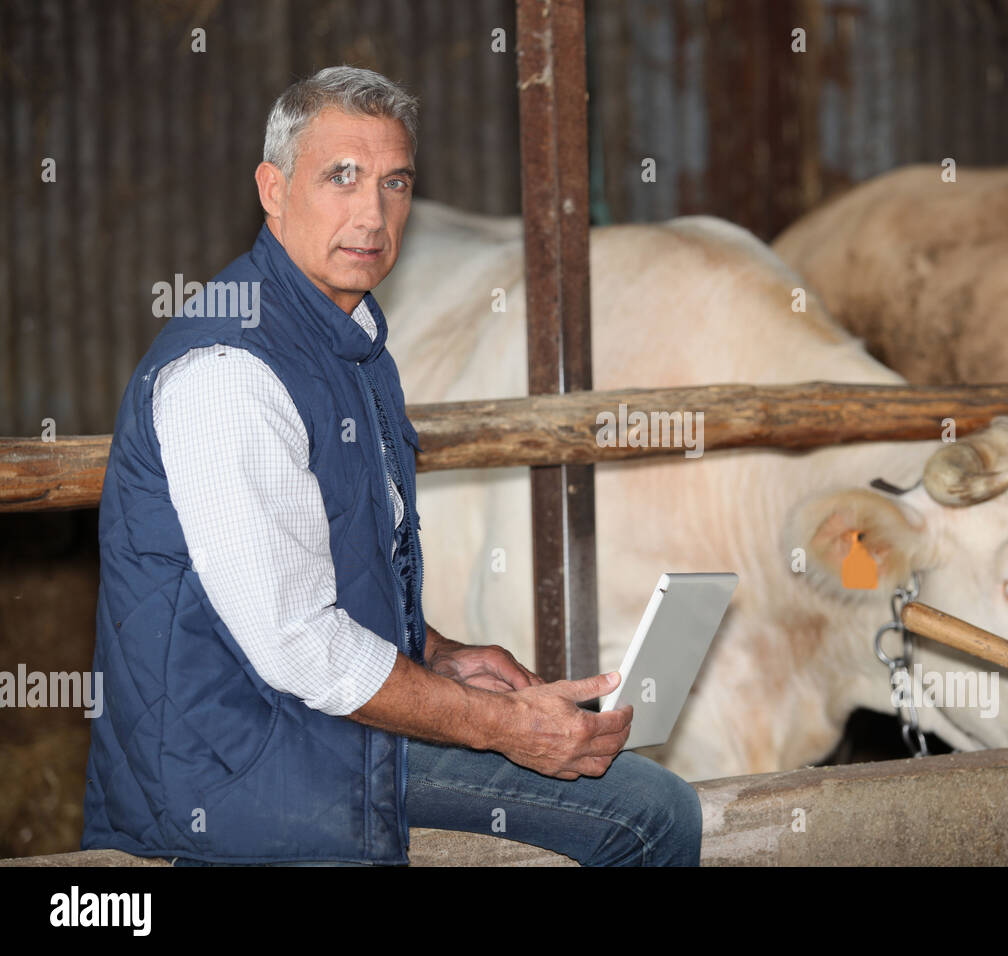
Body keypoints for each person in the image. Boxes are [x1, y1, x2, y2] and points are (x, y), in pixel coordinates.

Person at [81, 66, 702, 867]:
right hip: (236, 762)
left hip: (306, 723)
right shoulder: (229, 374)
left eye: (394, 182)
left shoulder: (348, 339)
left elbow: (319, 575)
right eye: (341, 177)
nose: (372, 214)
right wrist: (504, 726)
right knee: (650, 813)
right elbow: (299, 642)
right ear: (272, 189)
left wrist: (438, 655)